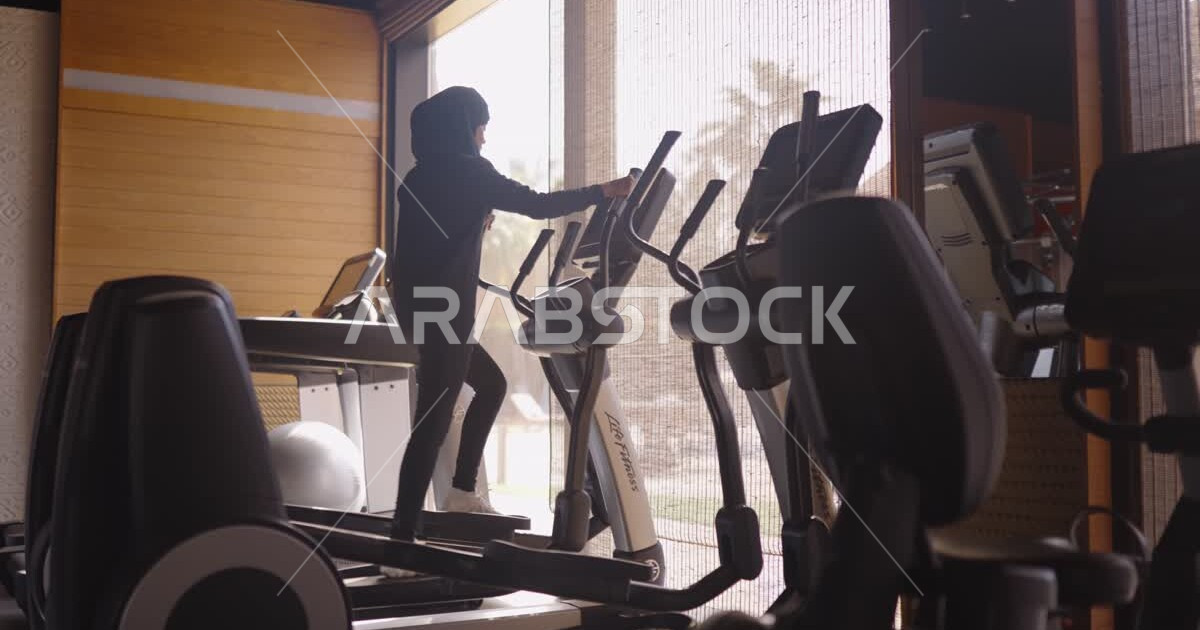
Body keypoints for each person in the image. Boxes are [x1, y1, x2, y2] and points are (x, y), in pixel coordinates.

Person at [388, 86, 634, 542]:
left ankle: (461, 492)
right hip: (445, 312)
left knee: (491, 384)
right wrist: (606, 191)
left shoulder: (420, 178)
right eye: (481, 128)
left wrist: (475, 219)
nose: (483, 138)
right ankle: (401, 536)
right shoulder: (470, 171)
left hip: (421, 308)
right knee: (434, 422)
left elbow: (432, 234)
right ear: (463, 128)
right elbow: (538, 204)